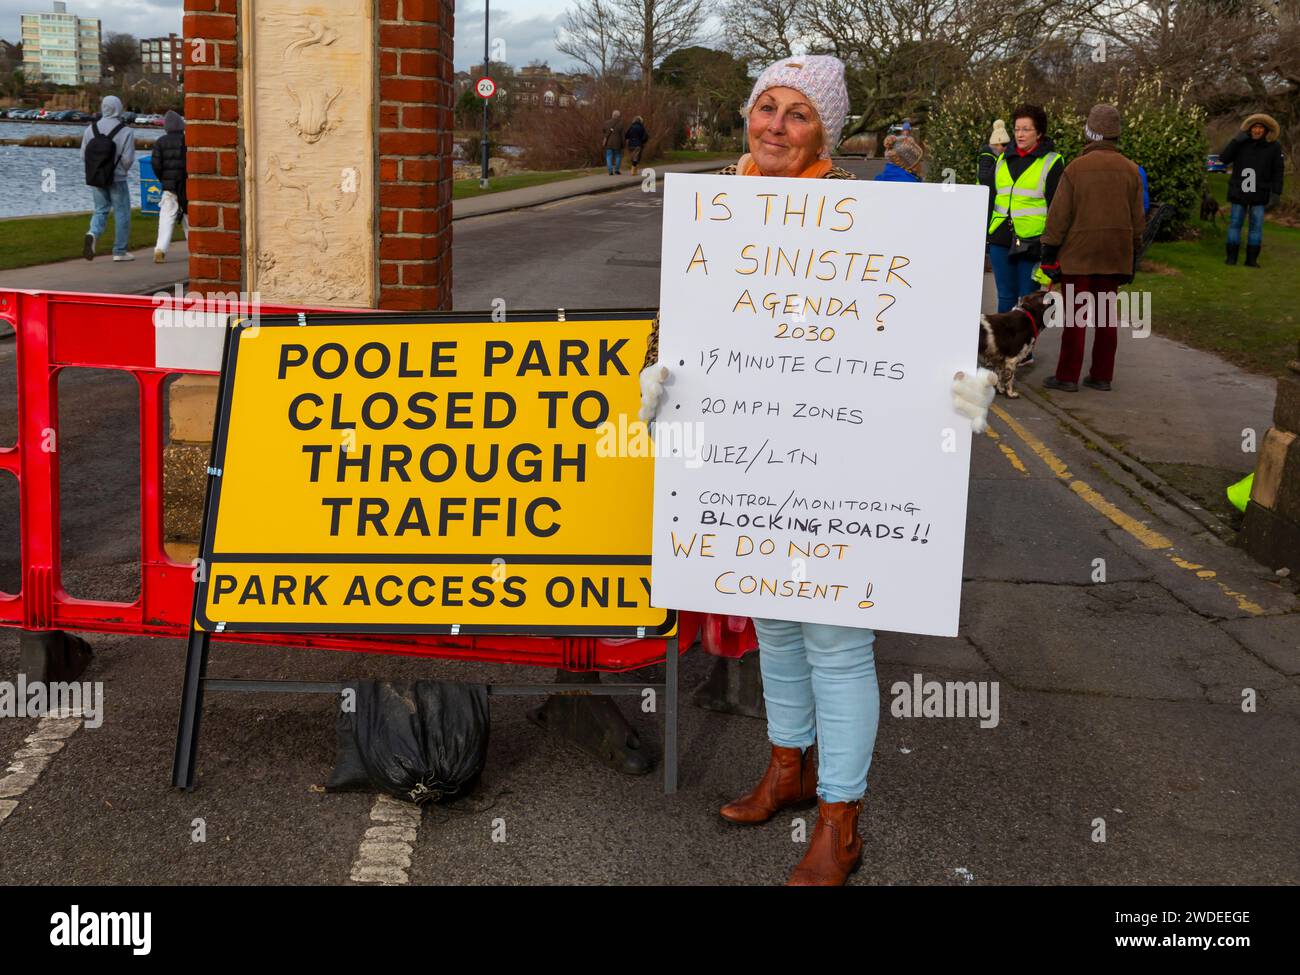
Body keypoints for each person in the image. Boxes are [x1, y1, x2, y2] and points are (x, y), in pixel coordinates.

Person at [638, 54, 997, 886]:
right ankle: (786, 770)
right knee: (772, 625)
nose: (776, 126)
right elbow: (676, 328)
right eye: (767, 106)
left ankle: (842, 818)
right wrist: (657, 381)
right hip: (752, 464)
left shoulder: (872, 219)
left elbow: (947, 328)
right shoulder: (714, 214)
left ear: (825, 130)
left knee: (836, 642)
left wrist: (965, 388)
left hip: (841, 473)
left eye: (799, 113)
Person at [1038, 104, 1144, 393]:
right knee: (1107, 319)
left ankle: (1068, 376)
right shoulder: (1131, 170)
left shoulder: (1075, 168)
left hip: (1079, 255)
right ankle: (1101, 375)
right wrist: (1133, 255)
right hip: (1114, 254)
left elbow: (1059, 215)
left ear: (1089, 133)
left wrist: (1049, 251)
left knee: (1076, 320)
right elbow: (1138, 219)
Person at [986, 104, 1063, 314]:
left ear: (1039, 133)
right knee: (1005, 297)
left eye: (1026, 129)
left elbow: (1058, 209)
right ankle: (1005, 347)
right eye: (1017, 129)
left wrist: (1051, 250)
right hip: (1000, 239)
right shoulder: (1001, 159)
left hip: (1033, 243)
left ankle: (1026, 348)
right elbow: (991, 198)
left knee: (1028, 301)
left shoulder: (1052, 162)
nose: (1020, 134)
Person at [1219, 112, 1285, 267]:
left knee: (1256, 228)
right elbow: (1223, 160)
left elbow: (1278, 171)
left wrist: (1276, 193)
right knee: (1235, 224)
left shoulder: (1274, 147)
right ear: (1250, 129)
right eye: (1255, 127)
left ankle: (1251, 260)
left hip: (1260, 193)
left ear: (1266, 130)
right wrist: (1235, 141)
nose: (1257, 130)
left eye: (1261, 127)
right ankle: (1231, 259)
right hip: (1238, 191)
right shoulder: (1240, 143)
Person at [80, 94, 136, 262]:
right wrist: (121, 170)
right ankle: (119, 251)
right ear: (119, 108)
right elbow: (128, 159)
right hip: (117, 178)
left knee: (100, 210)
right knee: (122, 213)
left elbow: (83, 155)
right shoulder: (126, 131)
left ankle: (92, 233)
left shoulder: (90, 129)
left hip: (97, 177)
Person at [150, 110, 188, 264]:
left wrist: (163, 179)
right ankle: (194, 250)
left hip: (169, 187)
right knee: (189, 219)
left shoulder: (160, 142)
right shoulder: (187, 140)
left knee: (166, 218)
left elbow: (156, 165)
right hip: (185, 187)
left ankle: (160, 249)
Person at [978, 119, 1011, 227]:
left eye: (1004, 144)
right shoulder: (988, 154)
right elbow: (984, 179)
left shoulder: (1002, 157)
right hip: (986, 199)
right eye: (996, 144)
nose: (1000, 147)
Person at [603, 109, 625, 175]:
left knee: (609, 156)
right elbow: (623, 135)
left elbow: (603, 131)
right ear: (618, 116)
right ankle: (617, 170)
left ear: (612, 115)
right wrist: (623, 144)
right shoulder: (621, 123)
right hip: (618, 143)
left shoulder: (606, 122)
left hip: (609, 143)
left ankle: (610, 171)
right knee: (618, 156)